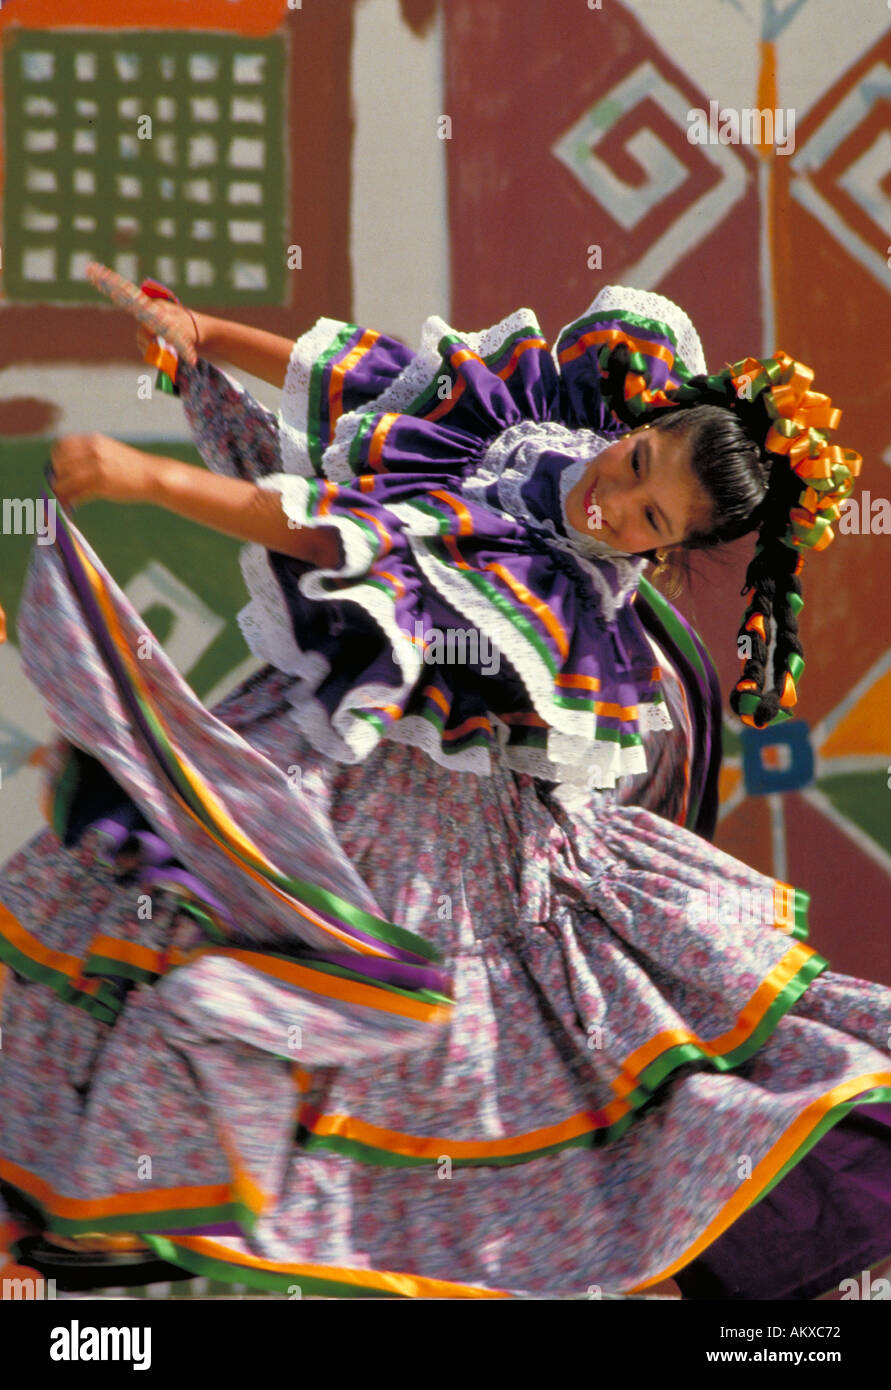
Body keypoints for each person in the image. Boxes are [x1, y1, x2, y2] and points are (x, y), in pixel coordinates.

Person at [0, 281, 887, 1301]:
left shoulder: (554, 585)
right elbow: (349, 381)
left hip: (439, 841)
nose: (616, 502)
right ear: (634, 422)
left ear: (664, 551)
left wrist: (144, 478)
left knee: (437, 1047)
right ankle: (50, 1207)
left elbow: (330, 534)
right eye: (636, 464)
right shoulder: (531, 416)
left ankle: (112, 1225)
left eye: (648, 521)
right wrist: (205, 335)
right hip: (329, 756)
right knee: (125, 897)